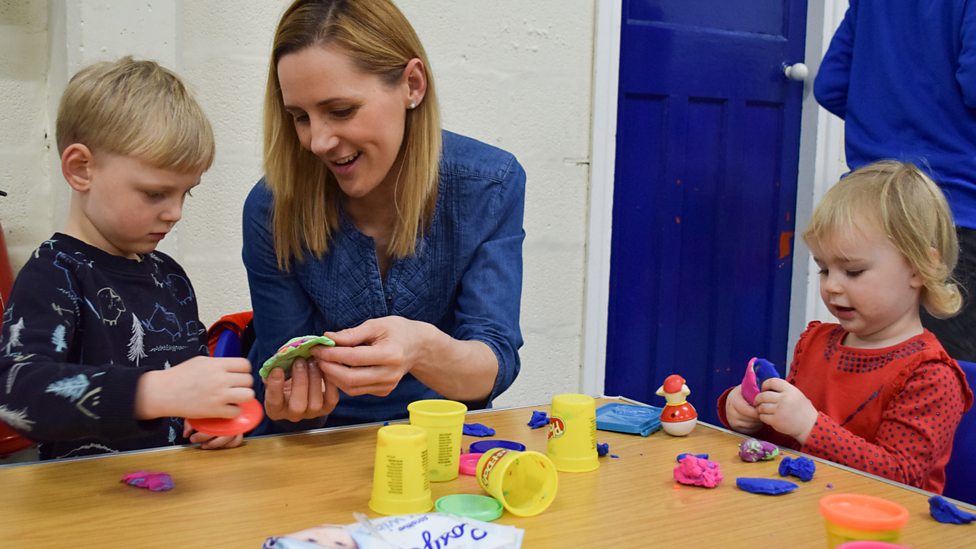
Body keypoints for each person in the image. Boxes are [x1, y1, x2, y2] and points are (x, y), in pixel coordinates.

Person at [243, 0, 526, 430]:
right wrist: (285, 404)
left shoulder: (490, 185)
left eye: (340, 110)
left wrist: (422, 348)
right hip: (318, 445)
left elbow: (494, 365)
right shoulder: (271, 208)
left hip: (440, 438)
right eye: (299, 117)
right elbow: (284, 381)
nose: (317, 141)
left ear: (412, 84)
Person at [0, 57, 255, 460]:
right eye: (155, 194)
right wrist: (152, 392)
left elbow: (191, 391)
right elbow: (18, 392)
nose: (175, 212)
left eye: (185, 193)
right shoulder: (53, 274)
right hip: (88, 505)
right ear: (81, 169)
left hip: (171, 496)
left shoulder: (170, 277)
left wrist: (213, 422)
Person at [718, 161, 973, 493]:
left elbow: (899, 478)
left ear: (919, 268)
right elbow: (790, 443)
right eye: (824, 269)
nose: (832, 286)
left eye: (852, 271)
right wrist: (750, 417)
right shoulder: (815, 343)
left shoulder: (931, 376)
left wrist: (810, 425)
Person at [814, 0, 976, 361]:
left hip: (872, 209)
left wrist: (890, 126)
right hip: (956, 212)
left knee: (875, 371)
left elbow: (830, 86)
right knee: (951, 384)